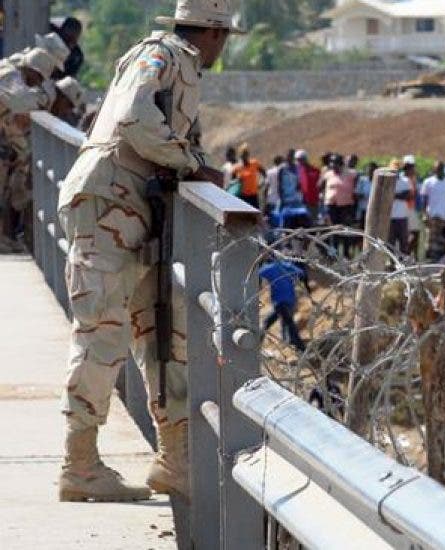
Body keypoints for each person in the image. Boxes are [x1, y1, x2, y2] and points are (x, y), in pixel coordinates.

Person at [55, 0, 241, 503]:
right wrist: (192, 164)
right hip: (109, 207)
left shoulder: (176, 59)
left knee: (162, 334)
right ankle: (80, 465)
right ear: (215, 34)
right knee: (102, 333)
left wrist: (187, 163)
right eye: (224, 37)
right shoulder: (163, 55)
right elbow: (137, 118)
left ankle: (173, 460)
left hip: (135, 213)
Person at [0, 48, 57, 246]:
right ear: (32, 70)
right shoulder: (9, 75)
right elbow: (21, 102)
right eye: (39, 78)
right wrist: (41, 98)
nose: (39, 83)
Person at [259, 258, 307, 352]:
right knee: (276, 321)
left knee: (288, 323)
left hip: (279, 300)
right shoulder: (286, 265)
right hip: (290, 299)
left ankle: (300, 347)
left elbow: (255, 274)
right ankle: (289, 341)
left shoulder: (268, 268)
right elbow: (301, 273)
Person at [323, 154, 357, 258]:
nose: (332, 164)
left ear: (341, 164)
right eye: (331, 162)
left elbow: (356, 188)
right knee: (334, 231)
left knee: (345, 230)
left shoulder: (351, 174)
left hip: (346, 206)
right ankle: (334, 254)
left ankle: (346, 254)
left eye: (335, 162)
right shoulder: (328, 174)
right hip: (331, 206)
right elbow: (320, 186)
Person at [388, 158, 413, 255]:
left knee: (404, 242)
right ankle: (391, 262)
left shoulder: (405, 180)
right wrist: (399, 195)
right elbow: (386, 195)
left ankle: (403, 262)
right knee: (390, 242)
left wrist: (393, 195)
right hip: (390, 216)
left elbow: (408, 196)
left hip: (402, 216)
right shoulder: (387, 180)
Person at [401, 155, 422, 258]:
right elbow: (410, 195)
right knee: (412, 234)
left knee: (414, 233)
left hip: (412, 208)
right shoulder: (405, 179)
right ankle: (406, 255)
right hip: (407, 209)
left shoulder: (412, 178)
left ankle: (412, 256)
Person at [231, 143, 264, 209]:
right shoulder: (237, 167)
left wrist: (261, 183)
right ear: (240, 156)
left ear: (248, 155)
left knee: (256, 216)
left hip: (254, 196)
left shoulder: (254, 163)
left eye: (246, 154)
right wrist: (237, 180)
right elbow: (232, 182)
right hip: (243, 196)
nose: (244, 156)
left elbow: (264, 173)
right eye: (243, 154)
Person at [295, 149, 321, 215]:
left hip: (313, 200)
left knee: (313, 220)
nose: (299, 162)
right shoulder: (296, 171)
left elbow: (319, 184)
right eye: (297, 160)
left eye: (301, 159)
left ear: (305, 159)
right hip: (301, 201)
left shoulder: (315, 171)